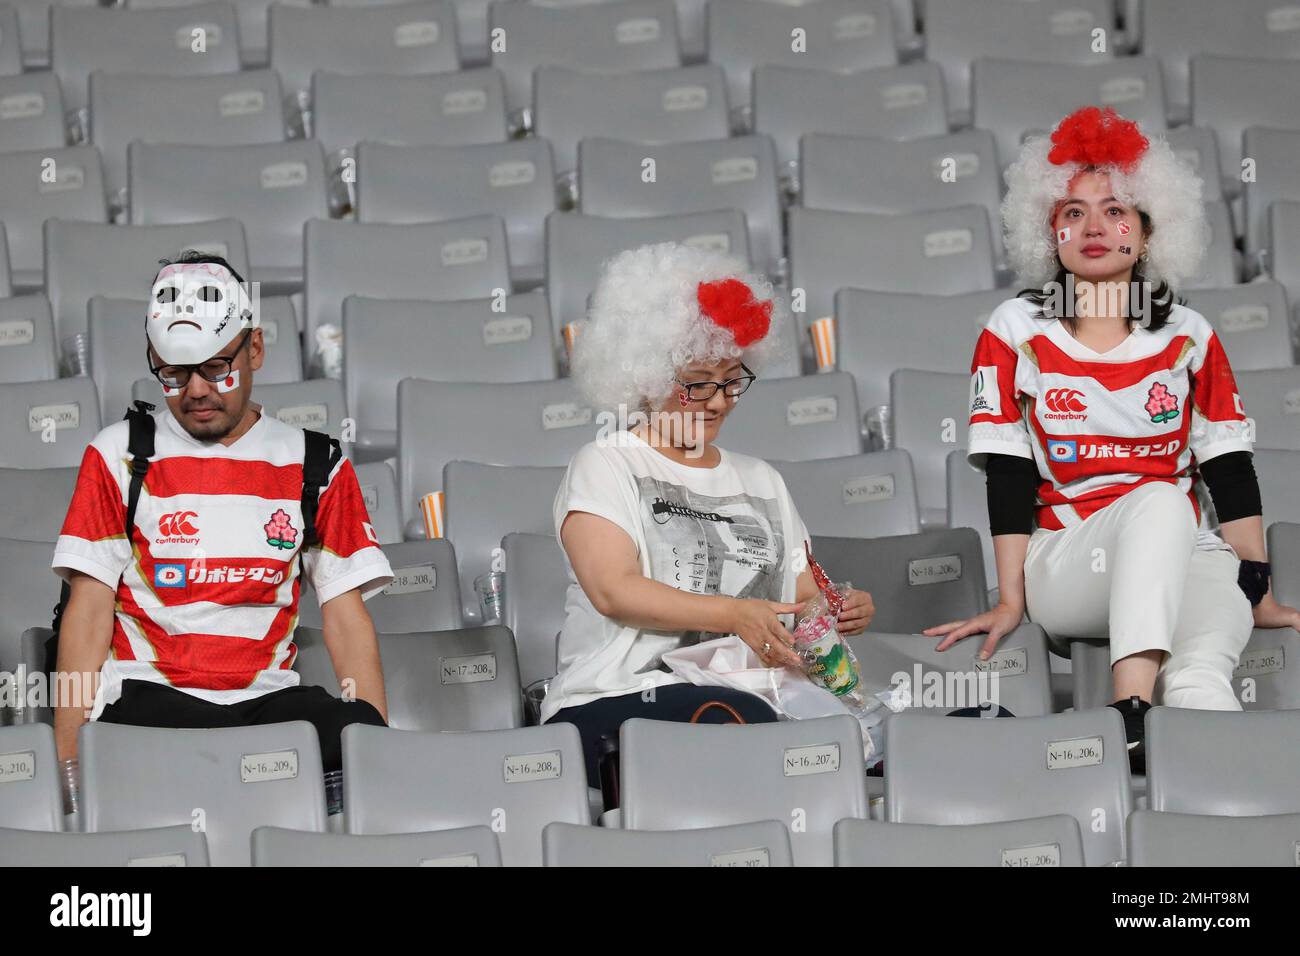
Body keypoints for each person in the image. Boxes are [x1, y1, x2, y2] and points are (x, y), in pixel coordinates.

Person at [922, 107, 1300, 770]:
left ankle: (1228, 810)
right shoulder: (1015, 327)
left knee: (1206, 667)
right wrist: (1012, 598)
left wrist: (1258, 587)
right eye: (1072, 212)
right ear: (1050, 235)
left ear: (1149, 232)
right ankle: (1129, 715)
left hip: (1185, 556)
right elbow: (1007, 474)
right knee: (1157, 501)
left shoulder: (1189, 331)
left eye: (1116, 210)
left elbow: (1228, 467)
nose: (1094, 226)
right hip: (1069, 562)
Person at [541, 242, 875, 783]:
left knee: (960, 722)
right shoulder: (604, 464)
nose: (719, 401)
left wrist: (836, 611)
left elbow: (802, 598)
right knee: (740, 721)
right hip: (616, 703)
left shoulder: (763, 479)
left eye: (732, 379)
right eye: (697, 384)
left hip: (756, 699)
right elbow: (613, 590)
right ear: (646, 379)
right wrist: (734, 614)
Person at [50, 251, 394, 776]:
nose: (196, 391)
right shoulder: (117, 453)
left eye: (215, 368)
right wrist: (70, 766)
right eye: (173, 372)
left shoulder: (316, 463)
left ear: (254, 347)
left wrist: (377, 749)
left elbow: (346, 619)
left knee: (354, 737)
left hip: (267, 706)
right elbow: (88, 613)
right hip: (151, 700)